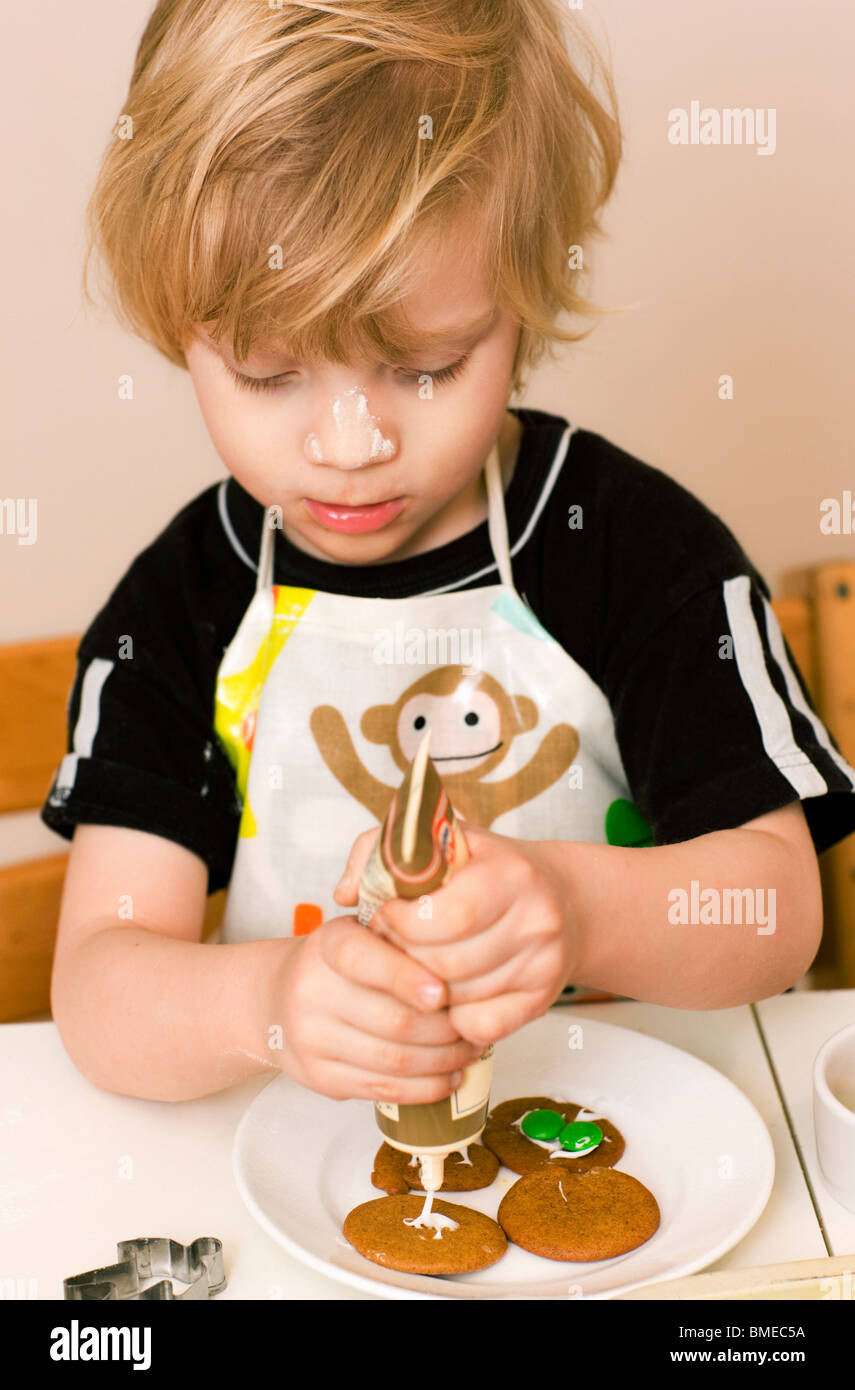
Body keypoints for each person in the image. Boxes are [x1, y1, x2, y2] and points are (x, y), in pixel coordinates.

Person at [43, 0, 855, 1104]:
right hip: (308, 1197)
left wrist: (576, 909)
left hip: (622, 1170)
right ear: (178, 326)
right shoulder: (185, 600)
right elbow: (97, 989)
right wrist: (268, 1005)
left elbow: (777, 914)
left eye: (425, 365)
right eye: (270, 374)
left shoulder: (634, 550)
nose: (350, 446)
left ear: (522, 297)